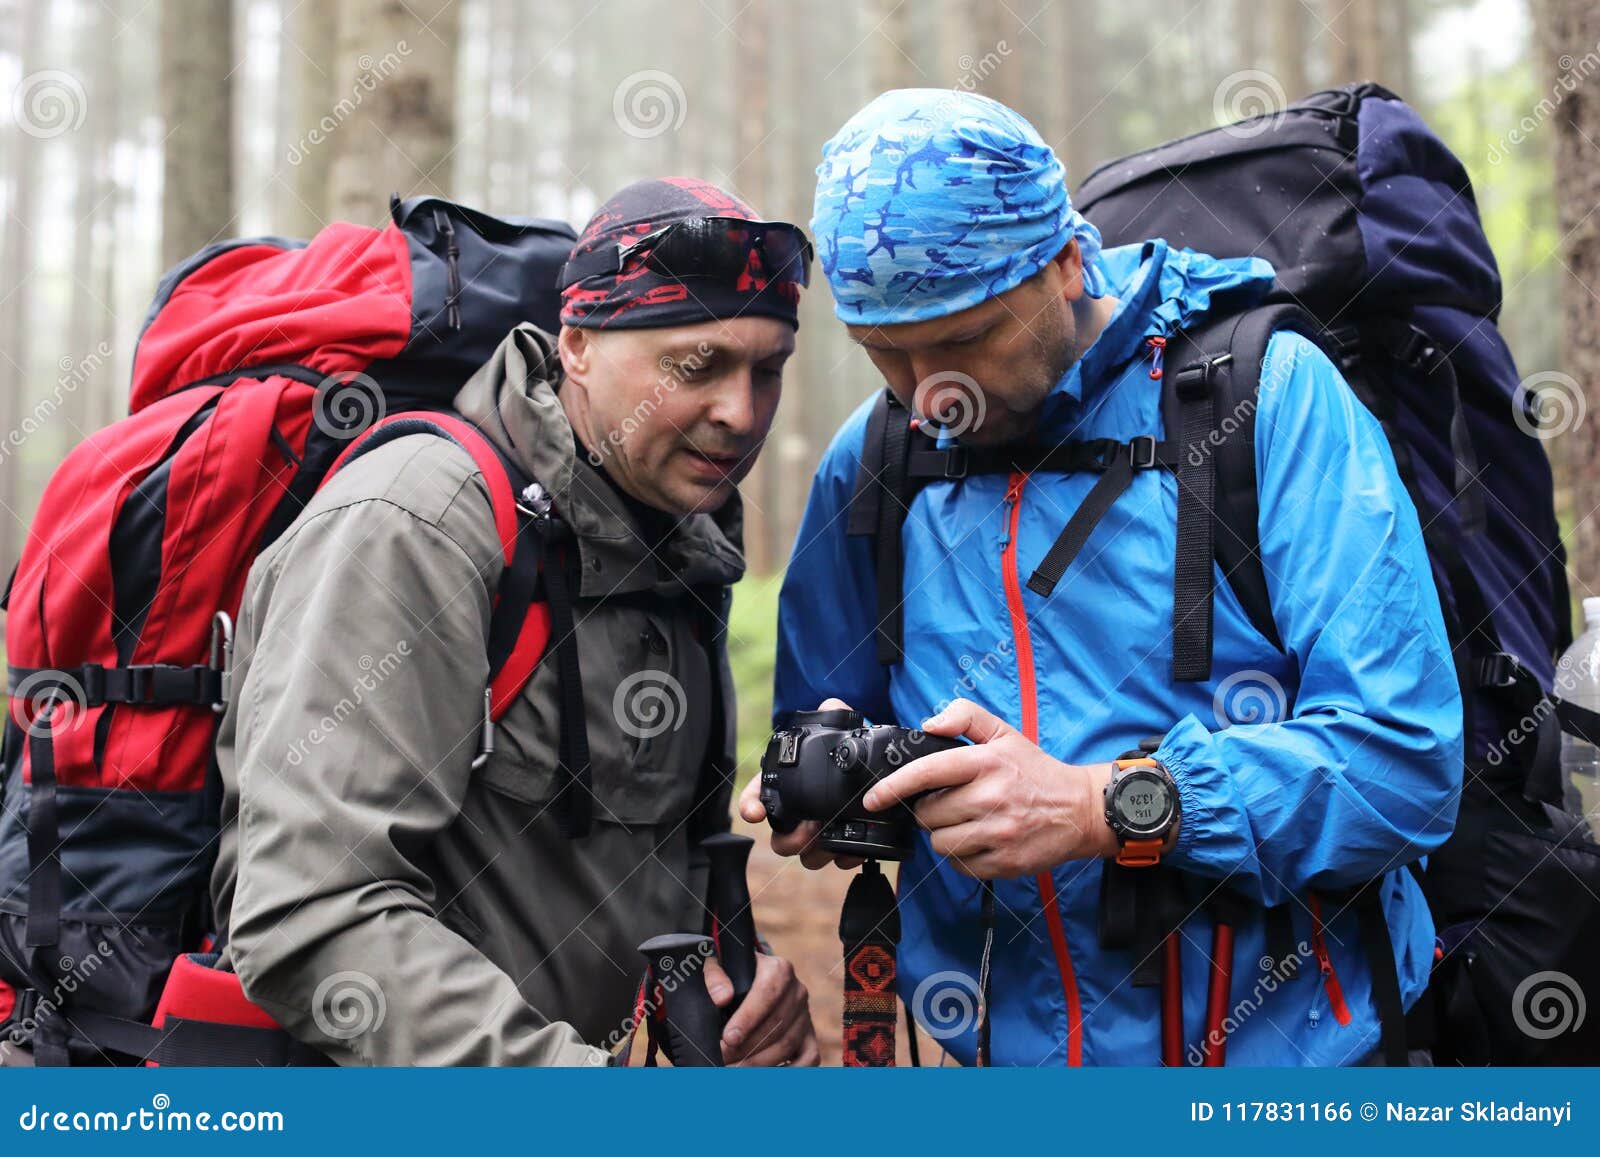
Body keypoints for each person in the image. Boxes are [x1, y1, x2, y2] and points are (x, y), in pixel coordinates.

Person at [742, 91, 1463, 1066]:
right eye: (884, 353)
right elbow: (832, 723)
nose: (929, 393)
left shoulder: (1264, 400)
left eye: (962, 339)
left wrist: (1101, 807)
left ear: (1066, 261)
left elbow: (1404, 764)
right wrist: (835, 795)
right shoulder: (876, 461)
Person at [211, 177, 819, 1066]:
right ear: (576, 344)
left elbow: (637, 867)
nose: (741, 413)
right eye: (697, 366)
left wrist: (739, 983)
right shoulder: (415, 524)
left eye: (768, 369)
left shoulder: (677, 546)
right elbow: (308, 913)